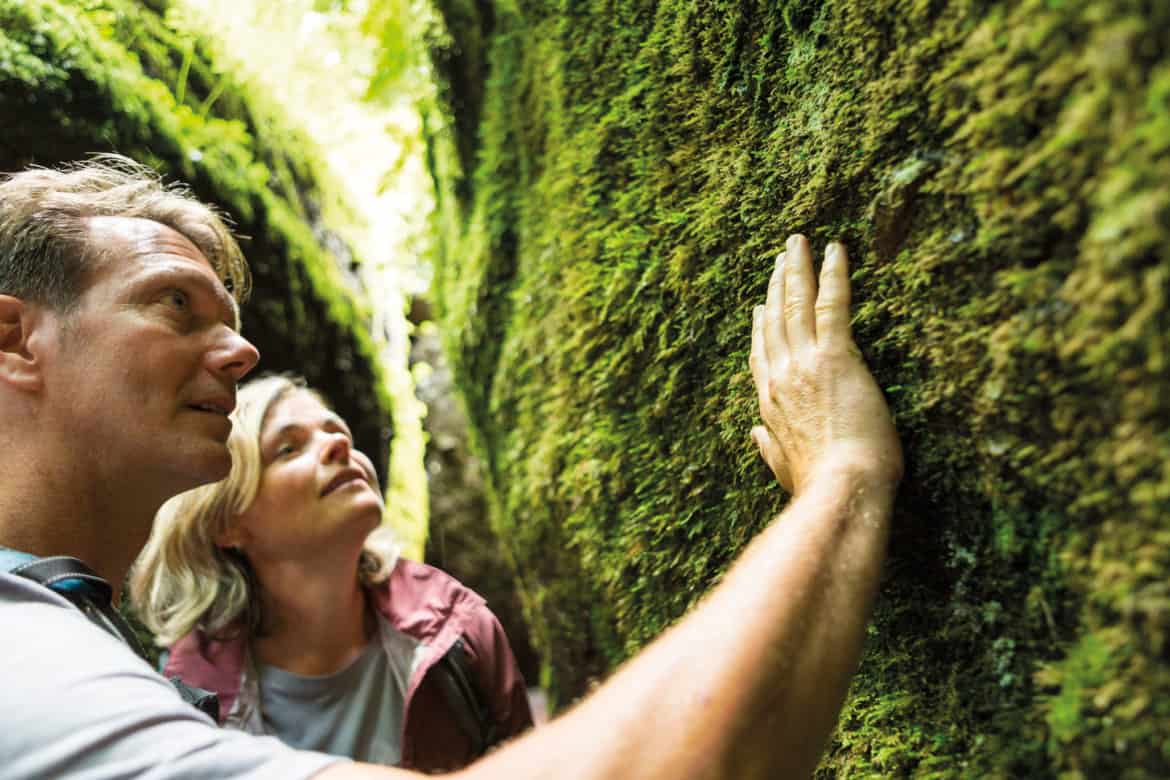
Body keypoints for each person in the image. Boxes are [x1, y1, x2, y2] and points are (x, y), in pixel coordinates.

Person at [0, 155, 901, 779]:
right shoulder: (30, 663)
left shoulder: (450, 629)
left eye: (229, 318)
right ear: (14, 341)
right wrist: (843, 480)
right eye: (173, 305)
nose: (240, 350)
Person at [129, 374, 533, 771]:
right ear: (228, 525)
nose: (339, 443)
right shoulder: (192, 696)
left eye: (338, 432)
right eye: (288, 449)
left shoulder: (459, 632)